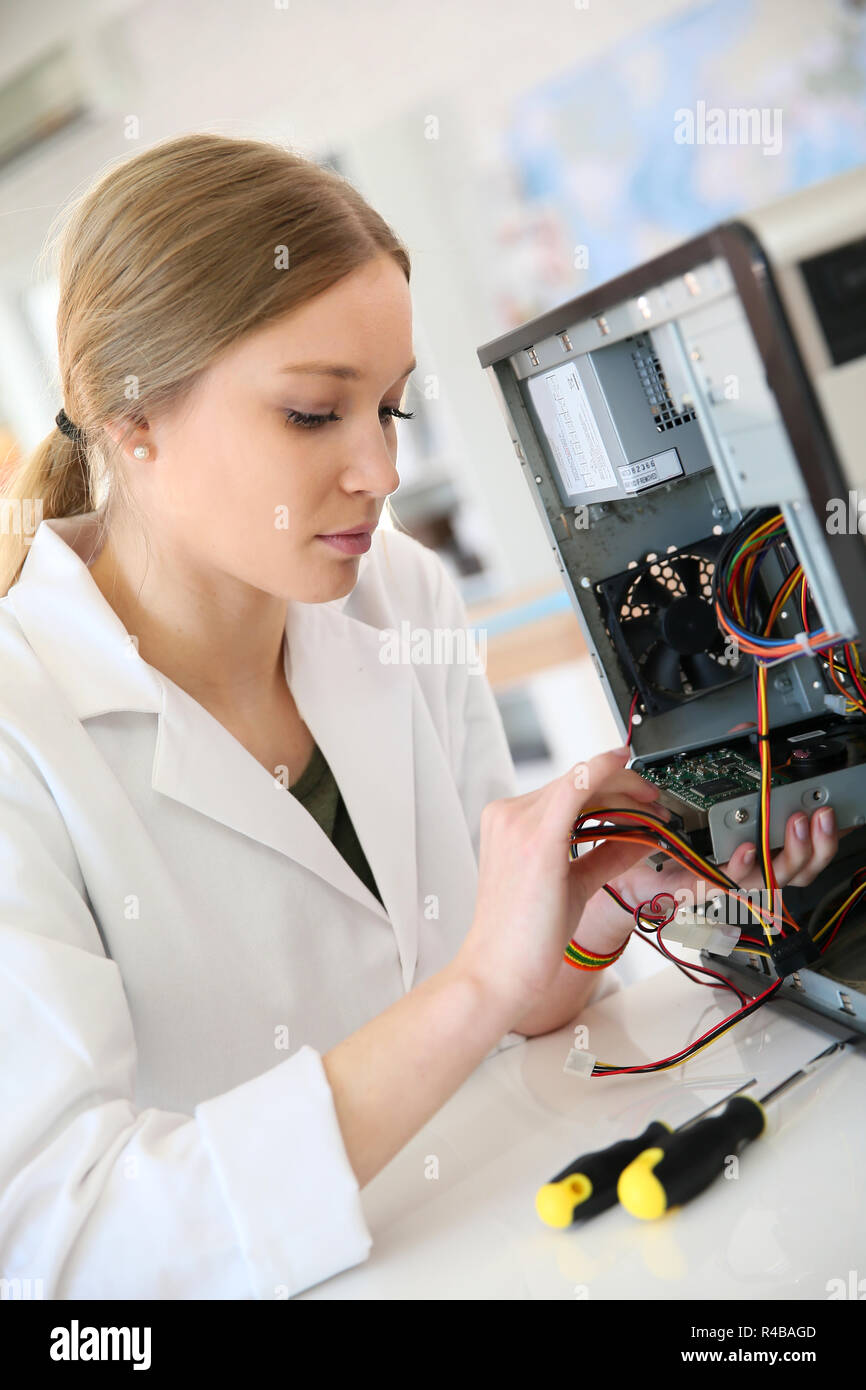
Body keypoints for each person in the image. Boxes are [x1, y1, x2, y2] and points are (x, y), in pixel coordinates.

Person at [0, 133, 838, 1300]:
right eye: (311, 414)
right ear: (128, 417)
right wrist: (475, 989)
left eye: (389, 408)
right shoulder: (20, 726)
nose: (380, 470)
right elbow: (70, 1248)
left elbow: (520, 1003)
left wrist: (596, 901)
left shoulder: (399, 597)